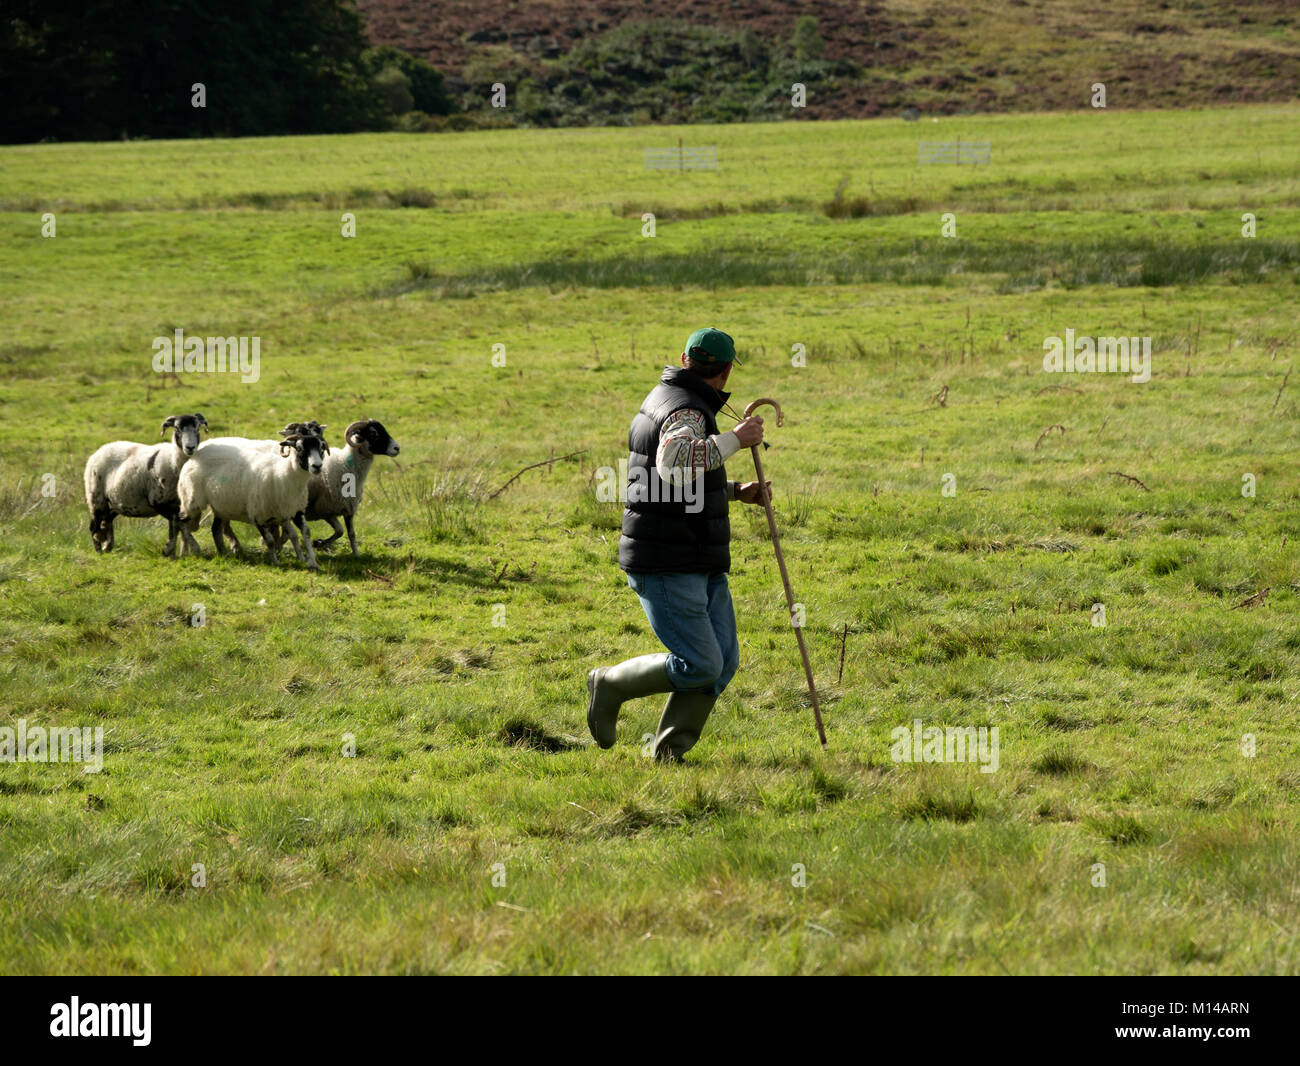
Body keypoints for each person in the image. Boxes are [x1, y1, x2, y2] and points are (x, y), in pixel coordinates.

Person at [586, 327, 770, 762]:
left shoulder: (670, 400)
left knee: (721, 662)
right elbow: (675, 466)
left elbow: (666, 487)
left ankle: (670, 753)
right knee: (702, 664)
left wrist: (735, 490)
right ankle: (609, 684)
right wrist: (736, 441)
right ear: (725, 372)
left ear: (684, 359)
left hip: (692, 552)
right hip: (668, 560)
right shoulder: (685, 409)